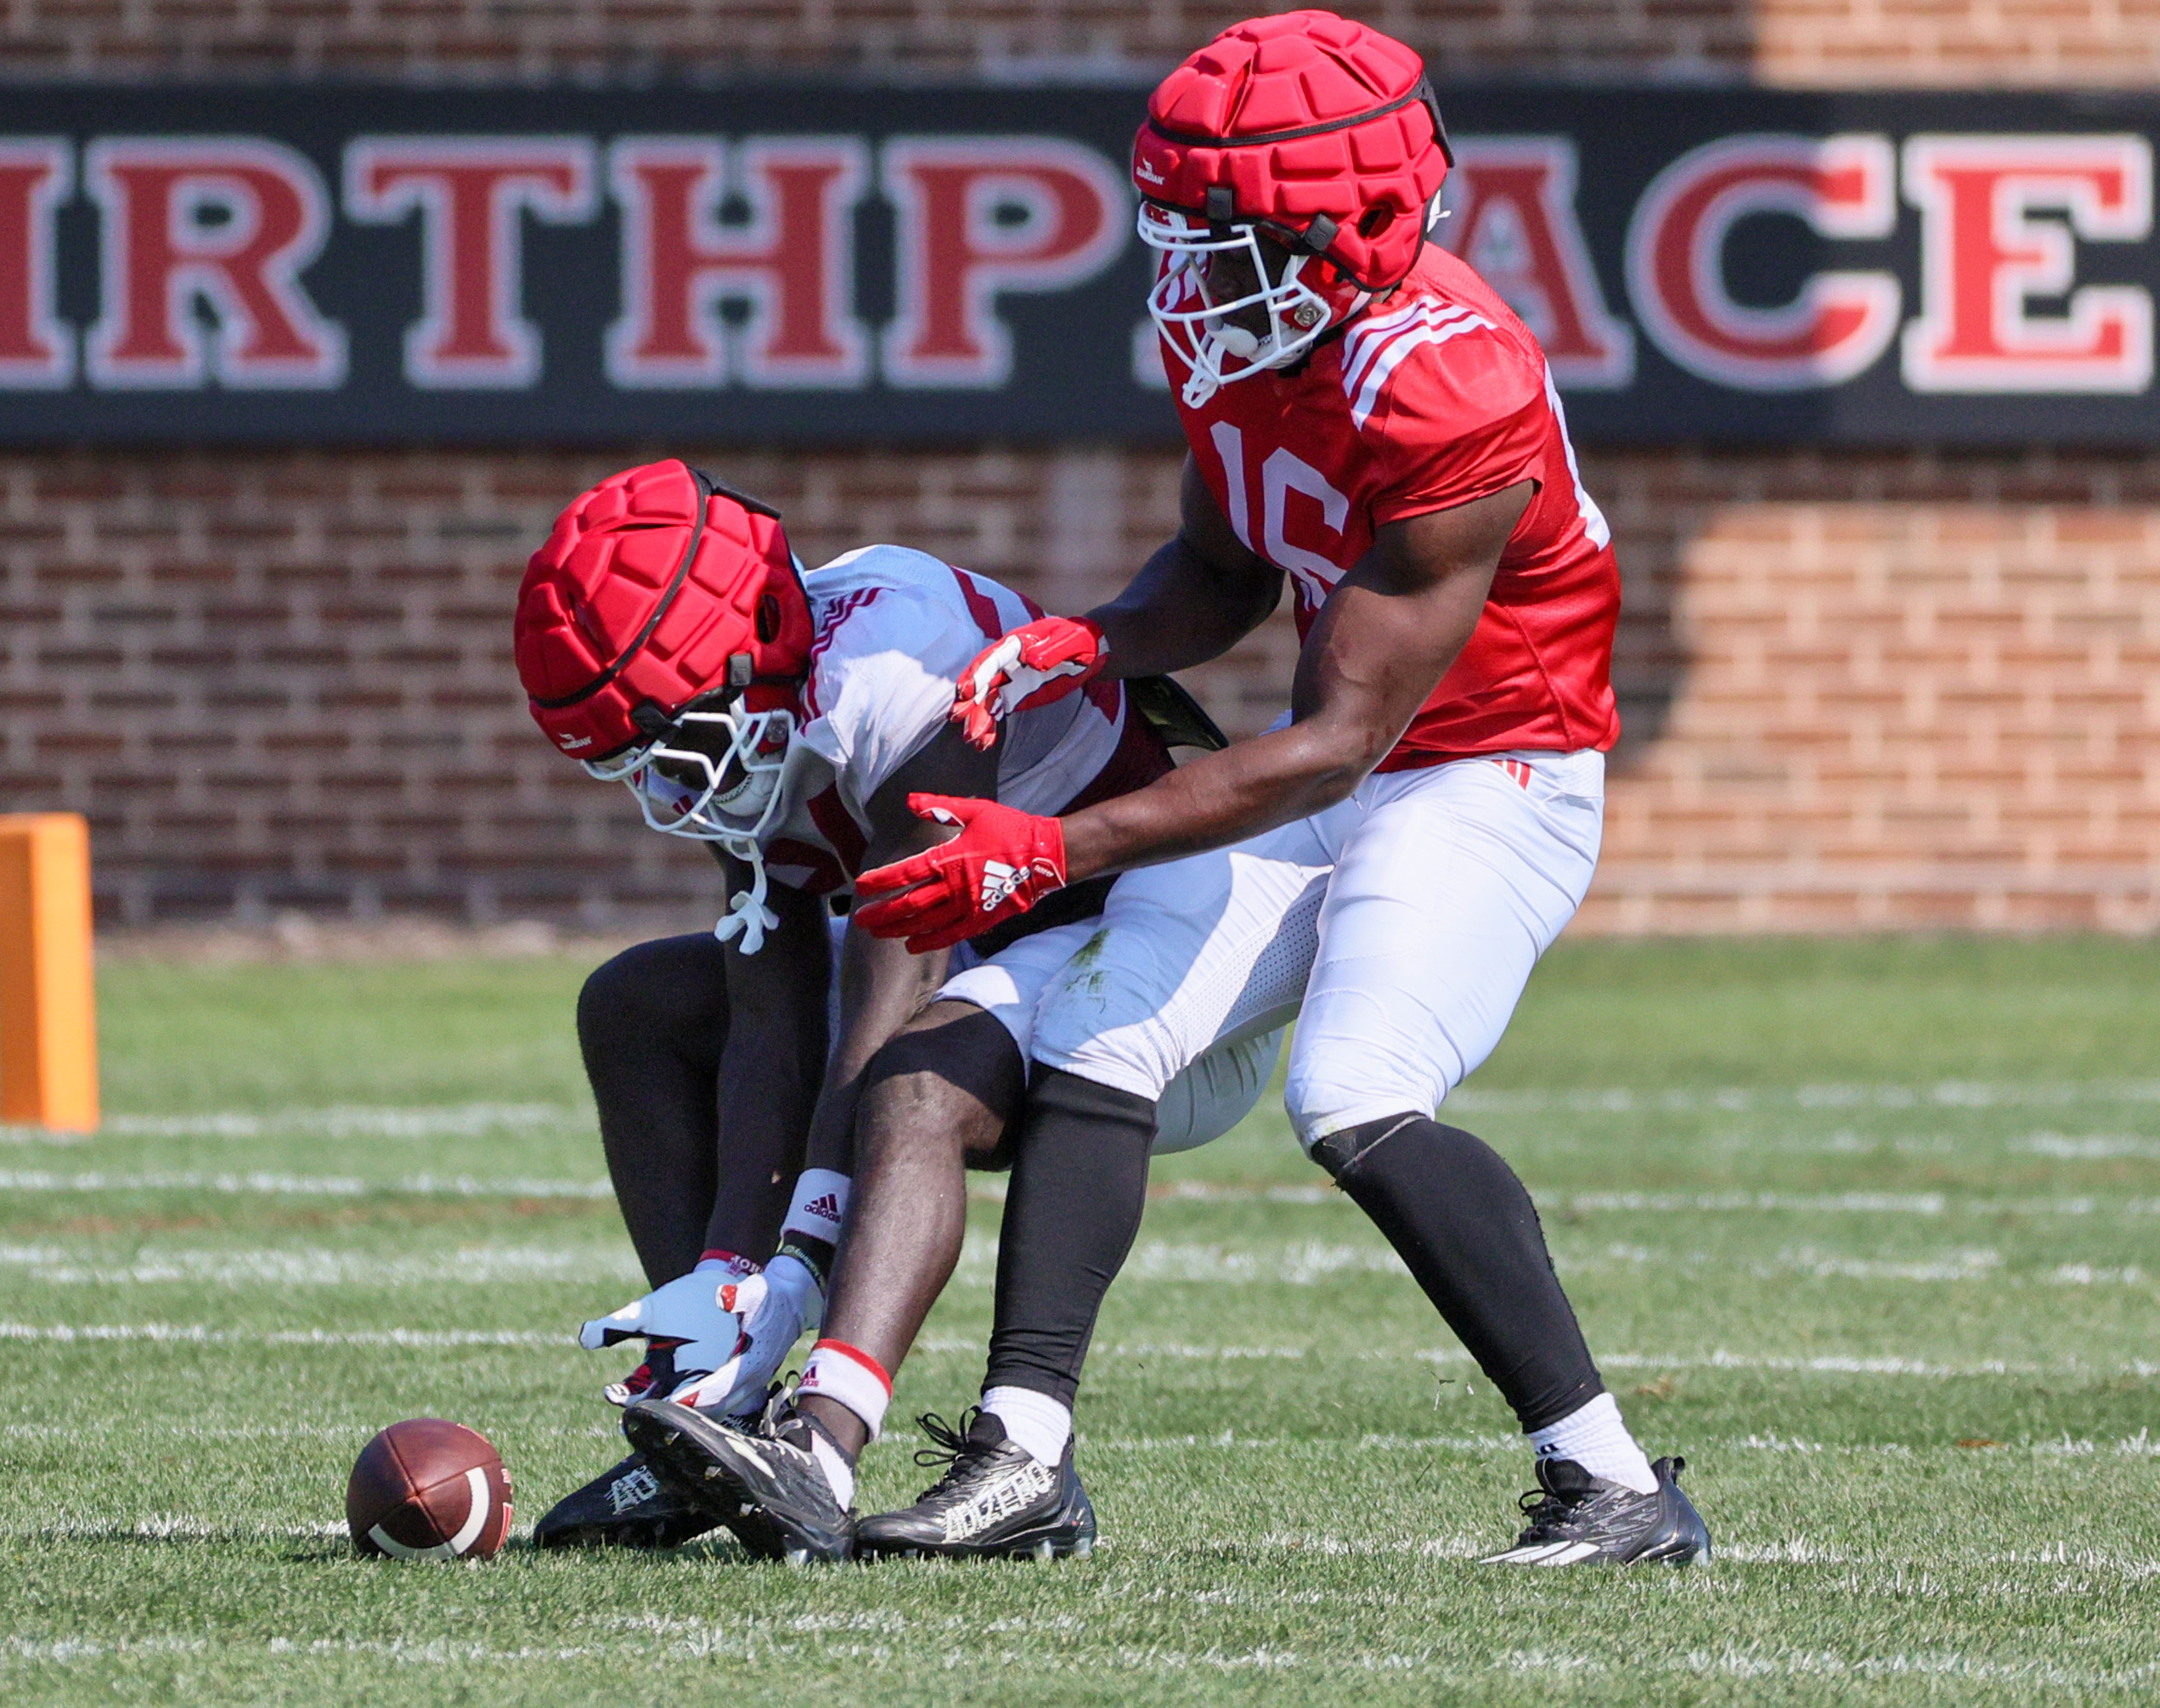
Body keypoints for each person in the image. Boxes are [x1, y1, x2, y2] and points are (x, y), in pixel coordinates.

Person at [635, 12, 1712, 1568]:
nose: (1193, 278)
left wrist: (1040, 850)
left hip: (1490, 774)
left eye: (1232, 242)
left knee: (1352, 1091)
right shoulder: (1249, 334)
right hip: (1340, 761)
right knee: (1096, 1033)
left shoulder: (1450, 386)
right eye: (1182, 234)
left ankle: (1609, 1479)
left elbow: (1342, 733)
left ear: (1357, 230)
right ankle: (1022, 1459)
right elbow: (1219, 573)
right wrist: (1094, 633)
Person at [513, 459, 1266, 1555]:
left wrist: (796, 1266)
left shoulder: (899, 664)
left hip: (1146, 977)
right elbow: (769, 1015)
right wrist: (728, 1282)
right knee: (637, 1006)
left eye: (678, 748)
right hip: (978, 958)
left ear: (761, 642)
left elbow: (880, 999)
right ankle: (712, 1414)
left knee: (904, 1078)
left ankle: (819, 1447)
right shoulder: (759, 694)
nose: (673, 794)